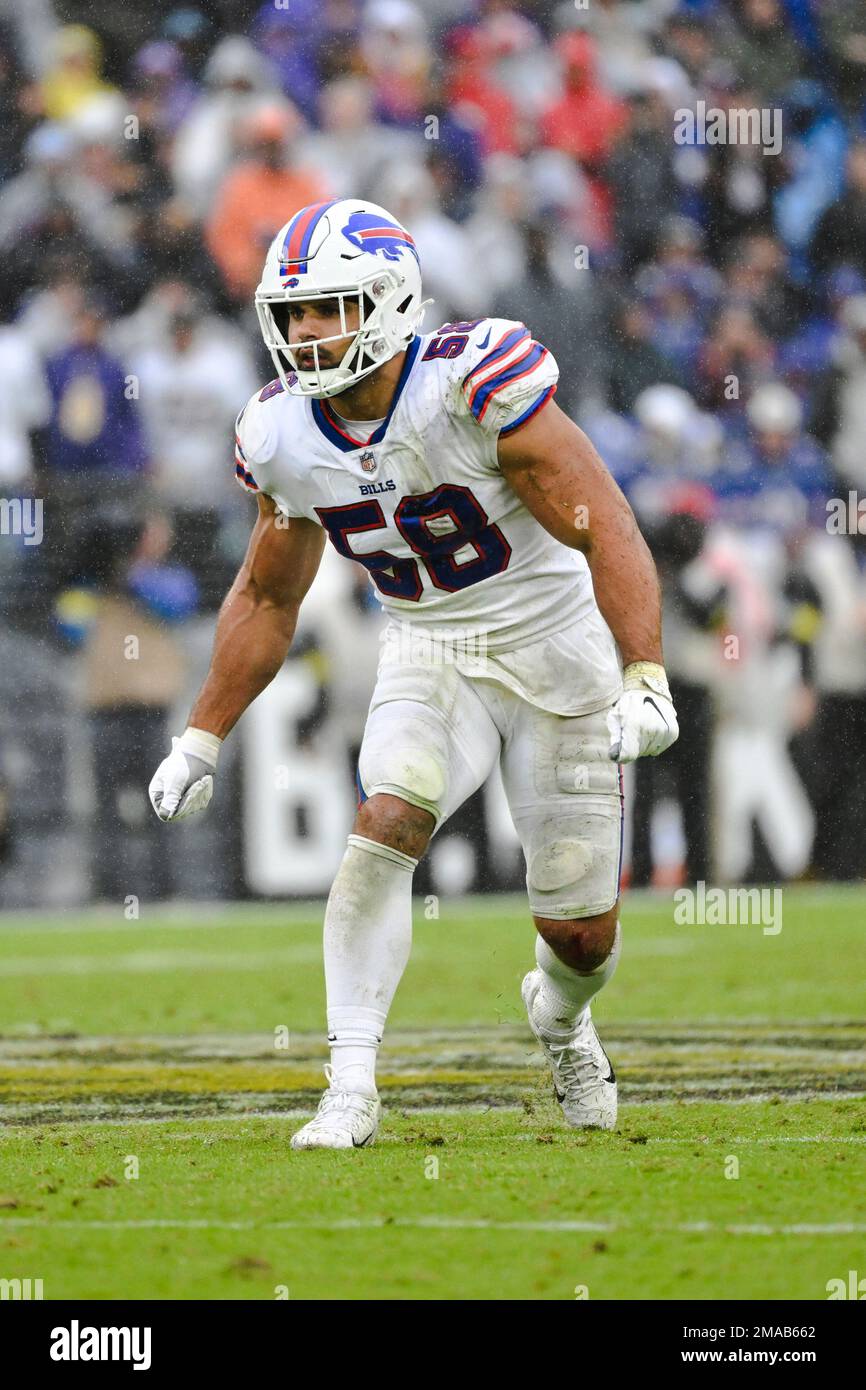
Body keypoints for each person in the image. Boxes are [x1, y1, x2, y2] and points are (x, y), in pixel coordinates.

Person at [148, 198, 679, 1149]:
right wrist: (201, 737)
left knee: (582, 936)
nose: (306, 333)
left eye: (330, 309)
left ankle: (560, 1019)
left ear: (390, 304)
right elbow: (269, 598)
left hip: (556, 645)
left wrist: (643, 670)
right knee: (387, 818)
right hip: (431, 647)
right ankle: (350, 1083)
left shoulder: (472, 383)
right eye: (293, 313)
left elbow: (608, 520)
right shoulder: (281, 436)